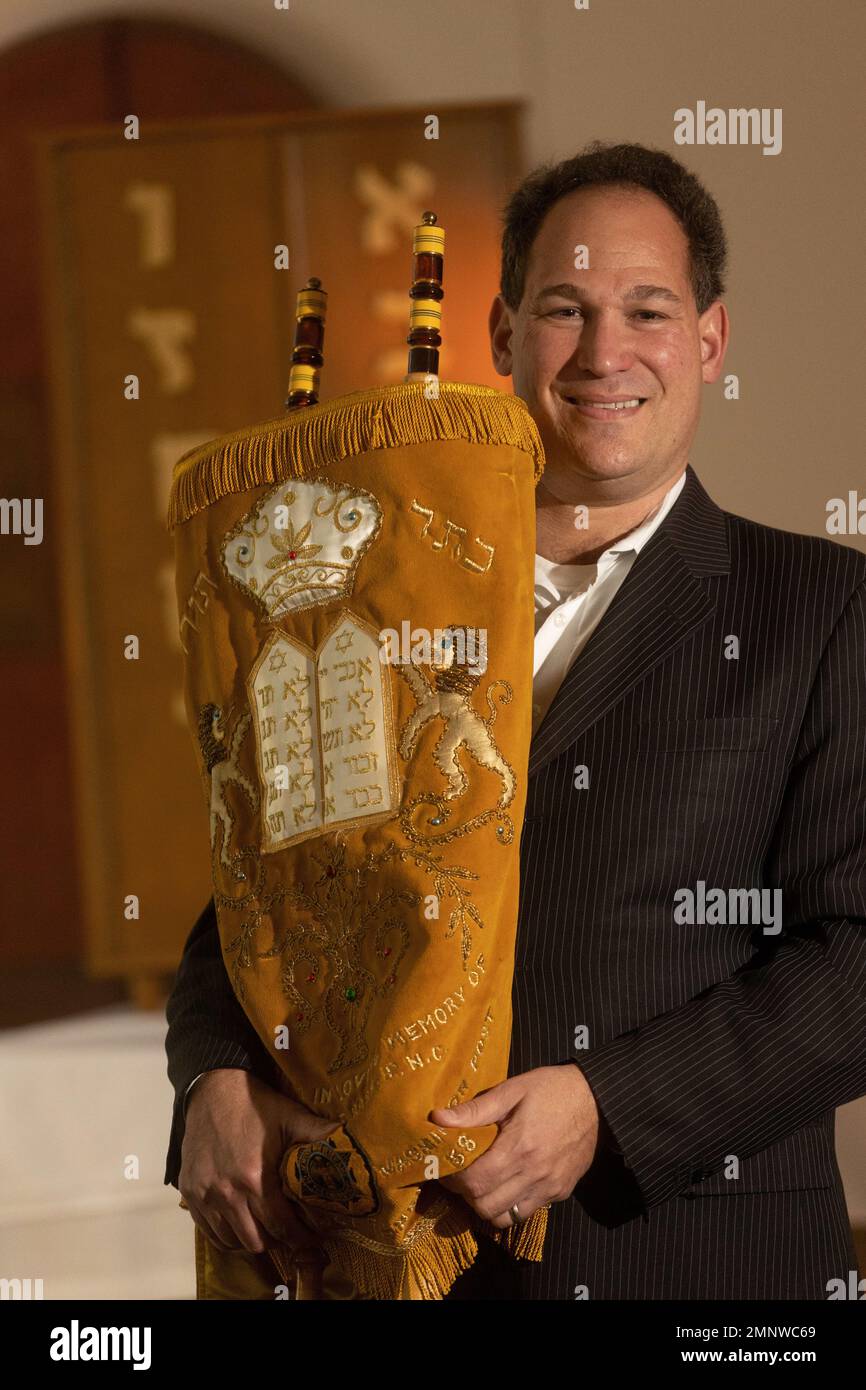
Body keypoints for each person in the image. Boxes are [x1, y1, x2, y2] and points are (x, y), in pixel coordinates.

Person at [165, 140, 866, 1299]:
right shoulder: (372, 587)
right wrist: (210, 1080)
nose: (604, 354)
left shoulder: (824, 611)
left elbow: (857, 957)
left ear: (708, 340)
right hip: (373, 1262)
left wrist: (607, 1106)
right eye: (562, 309)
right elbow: (262, 881)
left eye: (646, 309)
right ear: (499, 337)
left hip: (685, 1263)